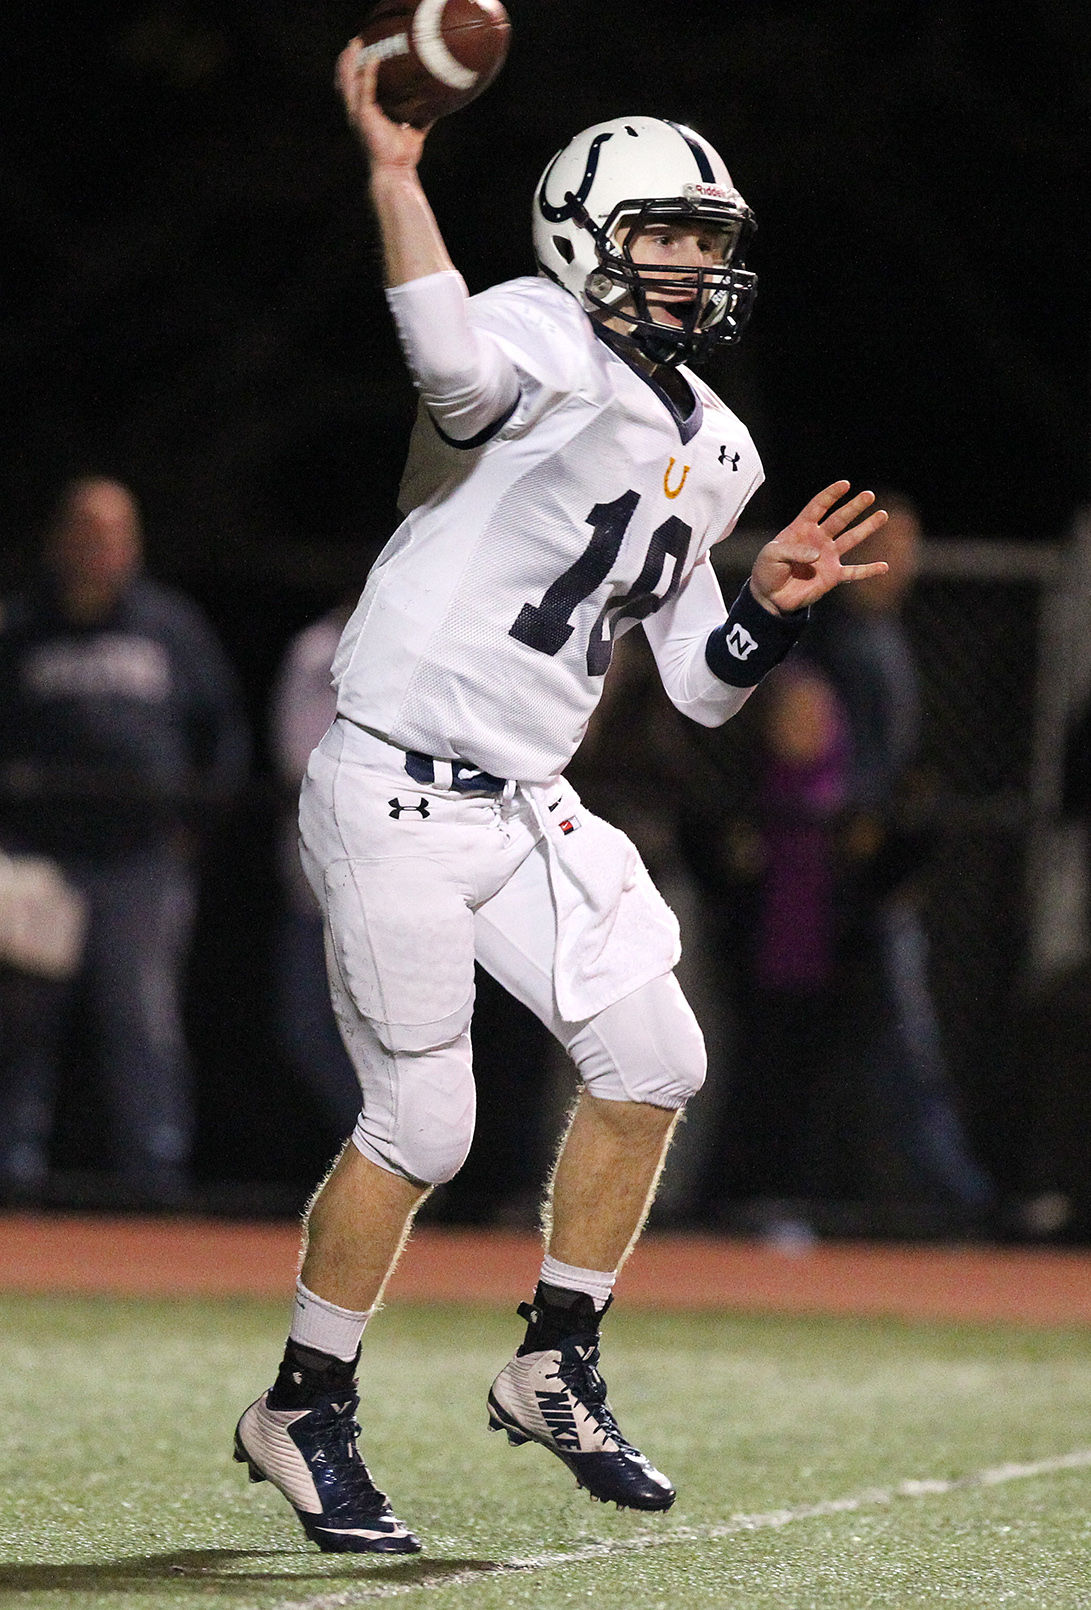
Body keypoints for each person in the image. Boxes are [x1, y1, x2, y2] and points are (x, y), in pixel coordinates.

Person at [232, 47, 889, 1556]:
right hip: (392, 778)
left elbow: (702, 682)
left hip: (523, 797)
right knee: (426, 1121)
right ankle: (303, 1401)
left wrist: (771, 607)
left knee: (654, 1054)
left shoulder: (716, 444)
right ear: (587, 235)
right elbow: (448, 372)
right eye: (664, 235)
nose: (689, 267)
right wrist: (396, 177)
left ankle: (554, 1357)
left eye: (706, 244)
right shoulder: (527, 326)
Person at [0, 476, 250, 1206]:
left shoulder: (167, 627)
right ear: (57, 540)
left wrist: (193, 831)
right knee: (22, 1026)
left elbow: (221, 731)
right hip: (39, 864)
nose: (99, 546)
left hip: (140, 863)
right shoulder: (20, 630)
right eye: (85, 530)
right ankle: (12, 1175)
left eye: (113, 532)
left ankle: (156, 1185)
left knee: (141, 1022)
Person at [804, 494, 995, 1222]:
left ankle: (901, 1191)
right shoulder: (836, 635)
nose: (905, 562)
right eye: (892, 544)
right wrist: (861, 841)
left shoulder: (877, 633)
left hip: (873, 868)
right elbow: (833, 761)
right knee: (890, 1041)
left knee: (868, 1041)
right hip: (844, 872)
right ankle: (955, 1199)